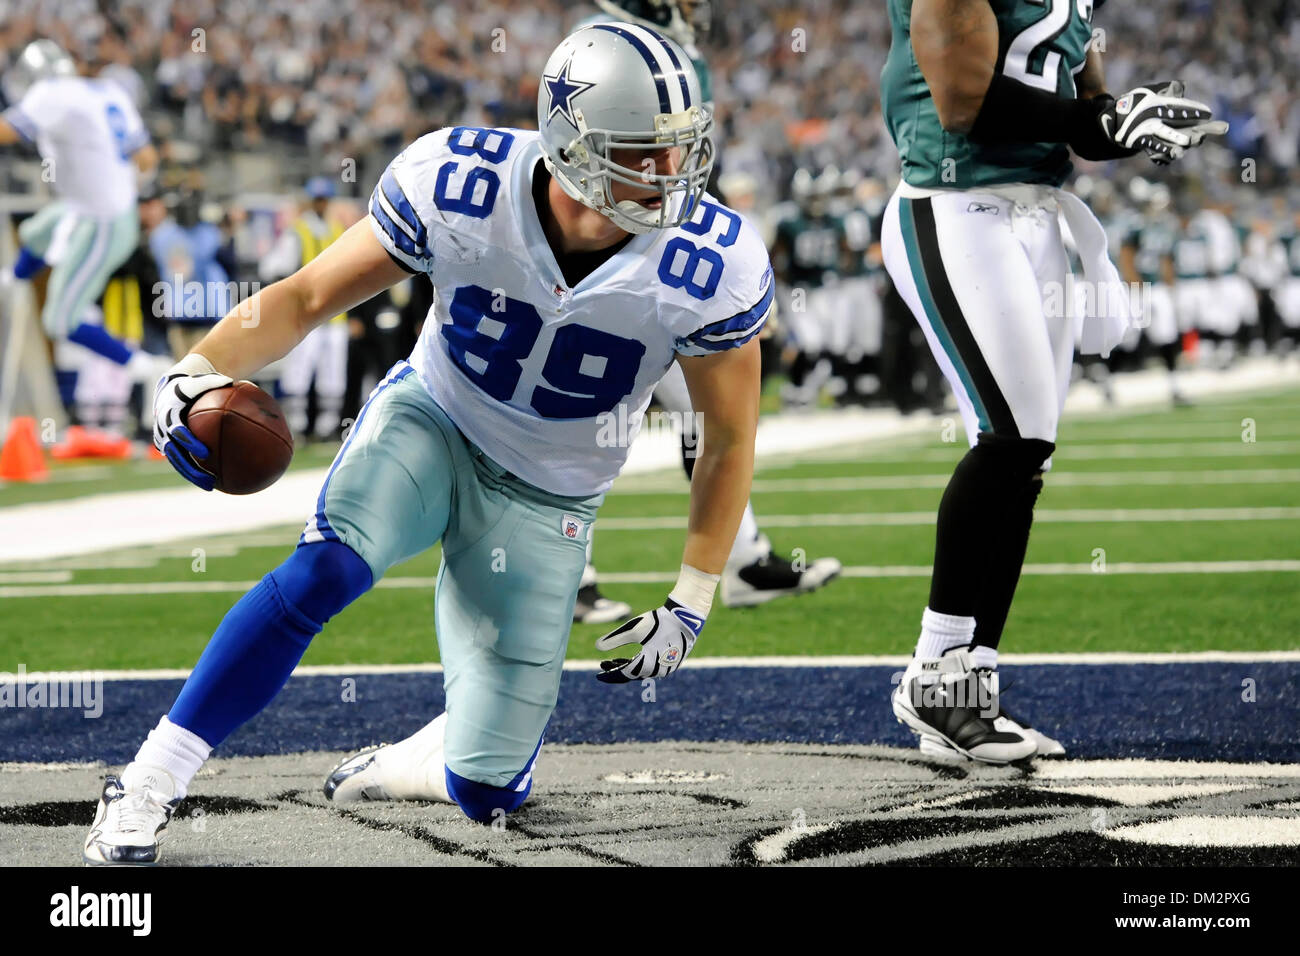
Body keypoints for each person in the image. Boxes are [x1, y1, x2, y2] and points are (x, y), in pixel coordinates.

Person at [84, 24, 770, 864]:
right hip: (437, 420)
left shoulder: (715, 259)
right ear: (571, 141)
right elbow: (303, 298)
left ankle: (424, 757)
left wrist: (695, 595)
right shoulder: (461, 183)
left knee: (487, 791)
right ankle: (149, 781)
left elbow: (728, 436)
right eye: (642, 152)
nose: (673, 175)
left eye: (679, 150)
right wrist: (193, 372)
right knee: (326, 567)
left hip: (550, 492)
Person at [880, 0, 1227, 763]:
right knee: (1011, 439)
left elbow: (1083, 101)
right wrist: (1093, 122)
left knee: (1026, 458)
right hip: (956, 202)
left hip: (1037, 213)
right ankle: (934, 674)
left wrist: (1123, 122)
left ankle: (972, 683)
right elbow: (964, 101)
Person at [574, 0, 842, 620]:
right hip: (610, 261)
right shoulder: (604, 45)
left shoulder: (674, 50)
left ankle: (743, 559)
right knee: (586, 418)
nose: (697, 7)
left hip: (661, 258)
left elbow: (687, 174)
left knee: (708, 415)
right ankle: (562, 573)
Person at [0, 40, 159, 376]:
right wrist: (115, 186)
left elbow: (6, 132)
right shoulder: (107, 92)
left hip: (103, 221)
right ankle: (15, 279)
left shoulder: (51, 93)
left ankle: (140, 365)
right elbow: (147, 159)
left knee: (59, 320)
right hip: (89, 207)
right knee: (35, 234)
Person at [259, 177, 352, 441]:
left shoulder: (337, 229)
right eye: (317, 199)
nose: (321, 204)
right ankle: (297, 425)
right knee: (299, 369)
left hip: (336, 315)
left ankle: (328, 425)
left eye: (324, 199)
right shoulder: (298, 230)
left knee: (332, 373)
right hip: (308, 314)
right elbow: (274, 266)